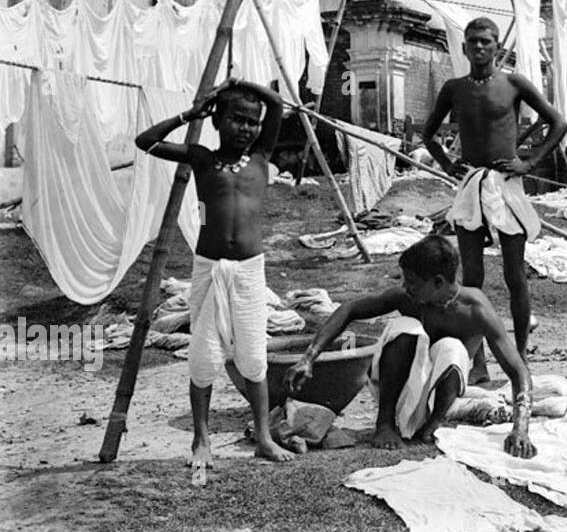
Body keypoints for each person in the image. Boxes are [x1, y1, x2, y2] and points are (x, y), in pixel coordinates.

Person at [134, 77, 294, 466]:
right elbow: (146, 142)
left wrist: (241, 83)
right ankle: (200, 440)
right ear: (217, 120)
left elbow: (276, 106)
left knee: (254, 357)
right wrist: (190, 113)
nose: (246, 128)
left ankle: (264, 437)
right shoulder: (202, 158)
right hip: (209, 268)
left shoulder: (261, 158)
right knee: (204, 357)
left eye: (252, 122)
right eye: (237, 119)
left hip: (249, 271)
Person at [285, 235, 536, 457]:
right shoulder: (409, 299)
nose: (406, 287)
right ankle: (384, 424)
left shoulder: (476, 310)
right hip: (397, 391)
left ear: (438, 282)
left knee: (452, 347)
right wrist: (309, 357)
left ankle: (433, 424)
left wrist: (521, 428)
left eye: (412, 282)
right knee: (405, 328)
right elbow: (350, 309)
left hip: (438, 398)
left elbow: (518, 371)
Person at [422, 16, 566, 384]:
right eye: (473, 41)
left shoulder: (513, 83)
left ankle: (520, 358)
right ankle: (479, 361)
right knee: (472, 278)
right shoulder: (455, 88)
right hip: (472, 184)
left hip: (506, 186)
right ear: (465, 47)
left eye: (487, 41)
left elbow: (559, 122)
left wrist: (530, 162)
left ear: (497, 46)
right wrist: (446, 163)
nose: (480, 47)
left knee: (515, 276)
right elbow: (428, 133)